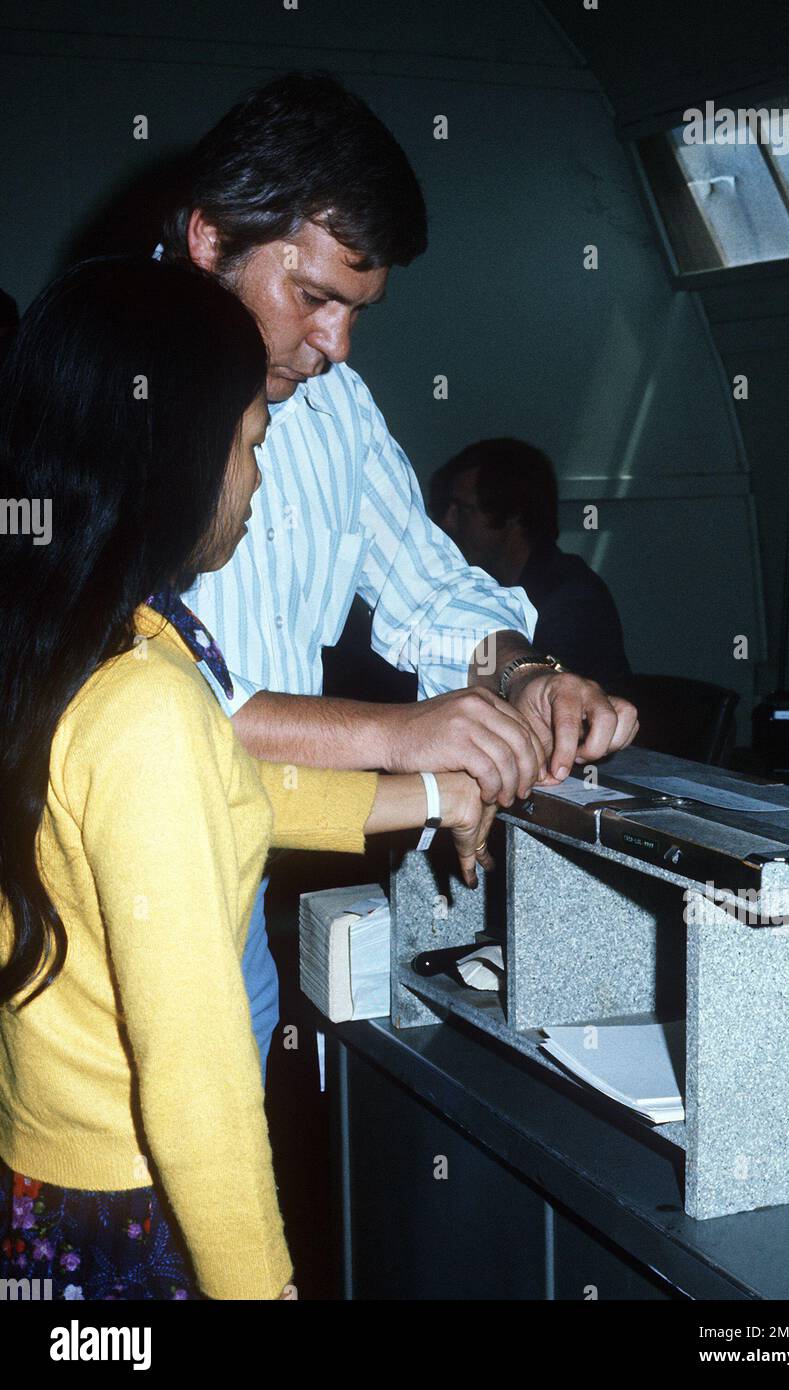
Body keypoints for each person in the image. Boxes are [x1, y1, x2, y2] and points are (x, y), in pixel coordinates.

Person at [0, 258, 496, 1300]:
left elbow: (230, 791)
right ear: (177, 458)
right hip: (140, 1209)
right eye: (250, 445)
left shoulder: (72, 643)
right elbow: (196, 1083)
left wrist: (434, 794)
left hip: (48, 1171)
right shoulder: (147, 704)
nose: (259, 481)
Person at [158, 73, 638, 1067]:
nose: (335, 343)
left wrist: (523, 675)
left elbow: (427, 588)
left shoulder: (329, 404)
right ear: (210, 240)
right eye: (314, 297)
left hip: (238, 888)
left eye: (357, 309)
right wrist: (407, 737)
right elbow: (176, 716)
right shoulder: (105, 386)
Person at [433, 439, 632, 692]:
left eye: (462, 510)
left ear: (513, 514)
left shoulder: (570, 602)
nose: (447, 523)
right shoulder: (490, 588)